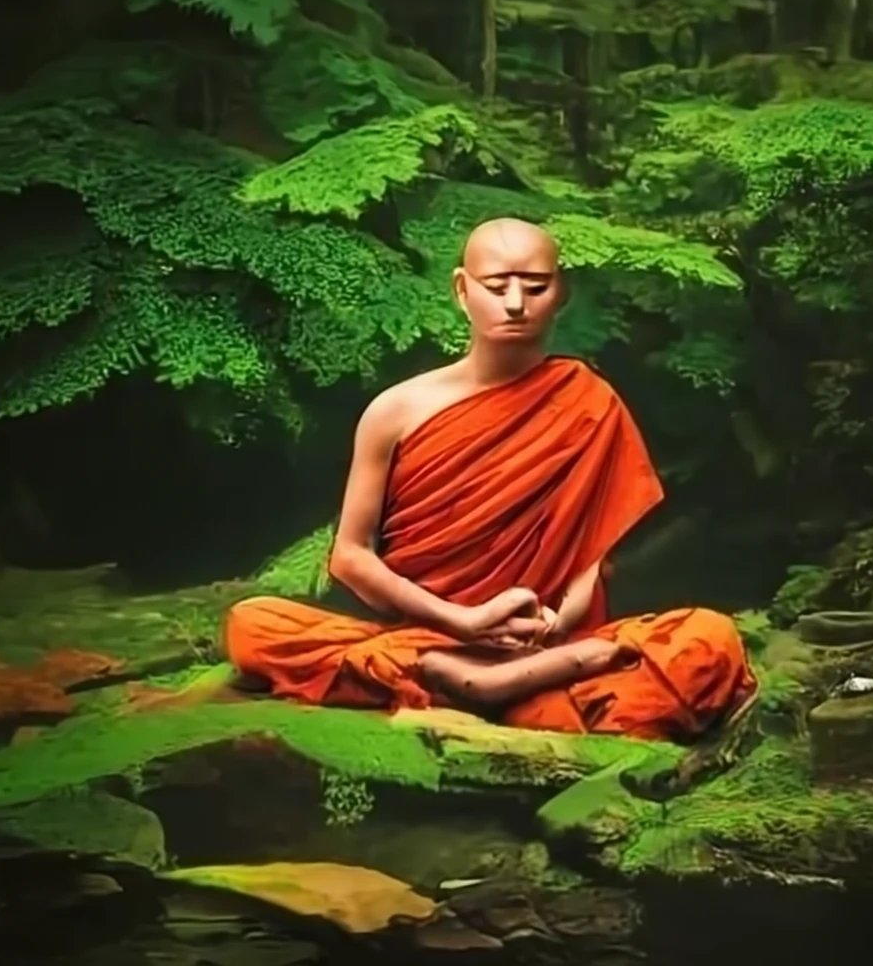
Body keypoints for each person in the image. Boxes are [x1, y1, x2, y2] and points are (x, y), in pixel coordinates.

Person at [223, 218, 756, 740]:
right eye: (497, 286)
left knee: (708, 637)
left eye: (536, 286)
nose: (516, 303)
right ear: (462, 290)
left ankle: (488, 682)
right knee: (253, 623)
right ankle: (477, 680)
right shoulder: (396, 410)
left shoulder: (590, 402)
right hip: (430, 635)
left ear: (561, 293)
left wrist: (555, 620)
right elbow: (350, 555)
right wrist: (462, 623)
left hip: (546, 640)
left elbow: (588, 557)